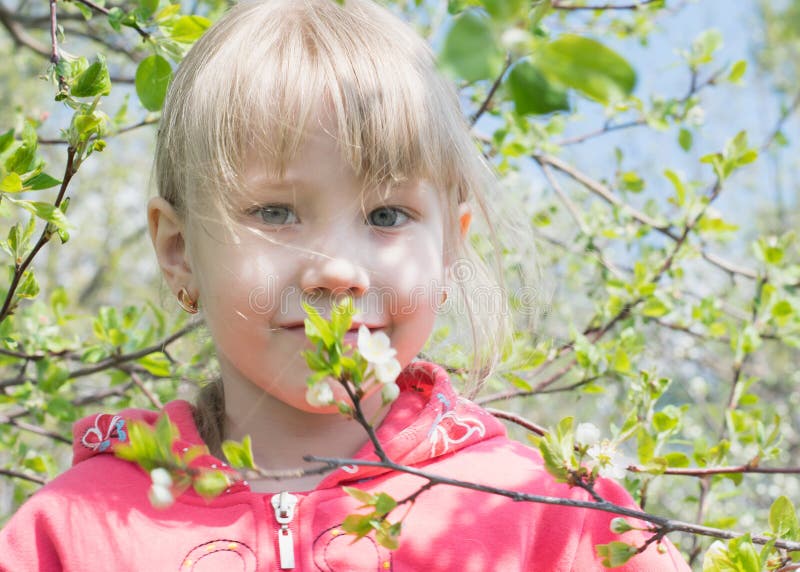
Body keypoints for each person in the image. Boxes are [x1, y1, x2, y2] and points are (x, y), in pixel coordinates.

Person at [0, 1, 690, 570]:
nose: (336, 269)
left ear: (450, 245)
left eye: (387, 215)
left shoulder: (551, 519)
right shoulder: (76, 532)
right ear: (180, 251)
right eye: (275, 213)